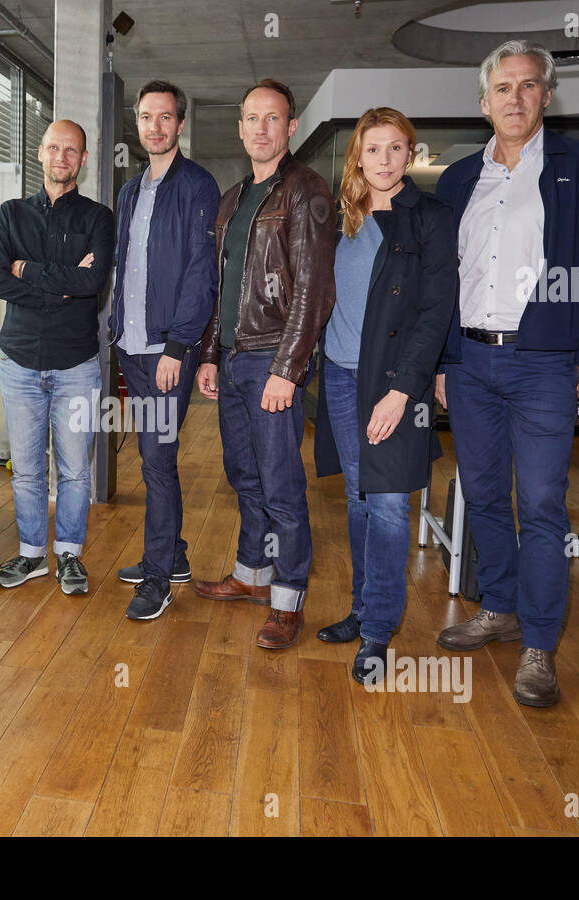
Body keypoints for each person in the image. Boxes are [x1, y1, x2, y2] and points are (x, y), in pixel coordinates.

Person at [434, 40, 579, 707]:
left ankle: (539, 646)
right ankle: (499, 607)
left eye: (528, 86)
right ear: (484, 100)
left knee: (543, 506)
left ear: (546, 95)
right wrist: (441, 358)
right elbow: (443, 278)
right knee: (486, 496)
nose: (515, 98)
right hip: (469, 362)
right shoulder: (459, 177)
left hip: (544, 363)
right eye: (502, 88)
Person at [311, 108, 457, 684]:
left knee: (392, 502)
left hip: (394, 383)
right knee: (358, 496)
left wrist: (402, 390)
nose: (385, 160)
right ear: (357, 157)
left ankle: (377, 630)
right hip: (342, 378)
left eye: (397, 148)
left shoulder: (430, 218)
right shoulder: (339, 219)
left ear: (411, 154)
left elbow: (435, 311)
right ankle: (361, 607)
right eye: (373, 149)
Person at [193, 79, 336, 650]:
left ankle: (287, 598)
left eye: (272, 118)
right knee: (243, 476)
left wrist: (288, 368)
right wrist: (208, 354)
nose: (260, 128)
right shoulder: (232, 200)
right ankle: (252, 574)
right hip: (232, 361)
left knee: (281, 485)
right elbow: (218, 290)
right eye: (251, 118)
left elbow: (314, 292)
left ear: (290, 127)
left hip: (271, 360)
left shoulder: (305, 191)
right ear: (241, 127)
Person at [0, 119, 115, 595]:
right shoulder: (11, 213)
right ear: (40, 153)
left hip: (76, 364)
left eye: (72, 150)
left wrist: (29, 271)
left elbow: (92, 284)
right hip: (18, 362)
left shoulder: (98, 218)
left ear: (82, 159)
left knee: (77, 468)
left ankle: (70, 555)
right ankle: (32, 555)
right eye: (54, 148)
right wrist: (60, 287)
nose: (62, 157)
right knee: (27, 467)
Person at [110, 80, 221, 622]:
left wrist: (181, 345)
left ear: (180, 124)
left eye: (166, 117)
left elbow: (202, 273)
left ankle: (158, 580)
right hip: (131, 346)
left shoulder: (199, 186)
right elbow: (125, 267)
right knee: (153, 457)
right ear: (138, 123)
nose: (155, 126)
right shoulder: (130, 192)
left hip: (165, 351)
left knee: (155, 460)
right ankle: (172, 556)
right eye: (146, 117)